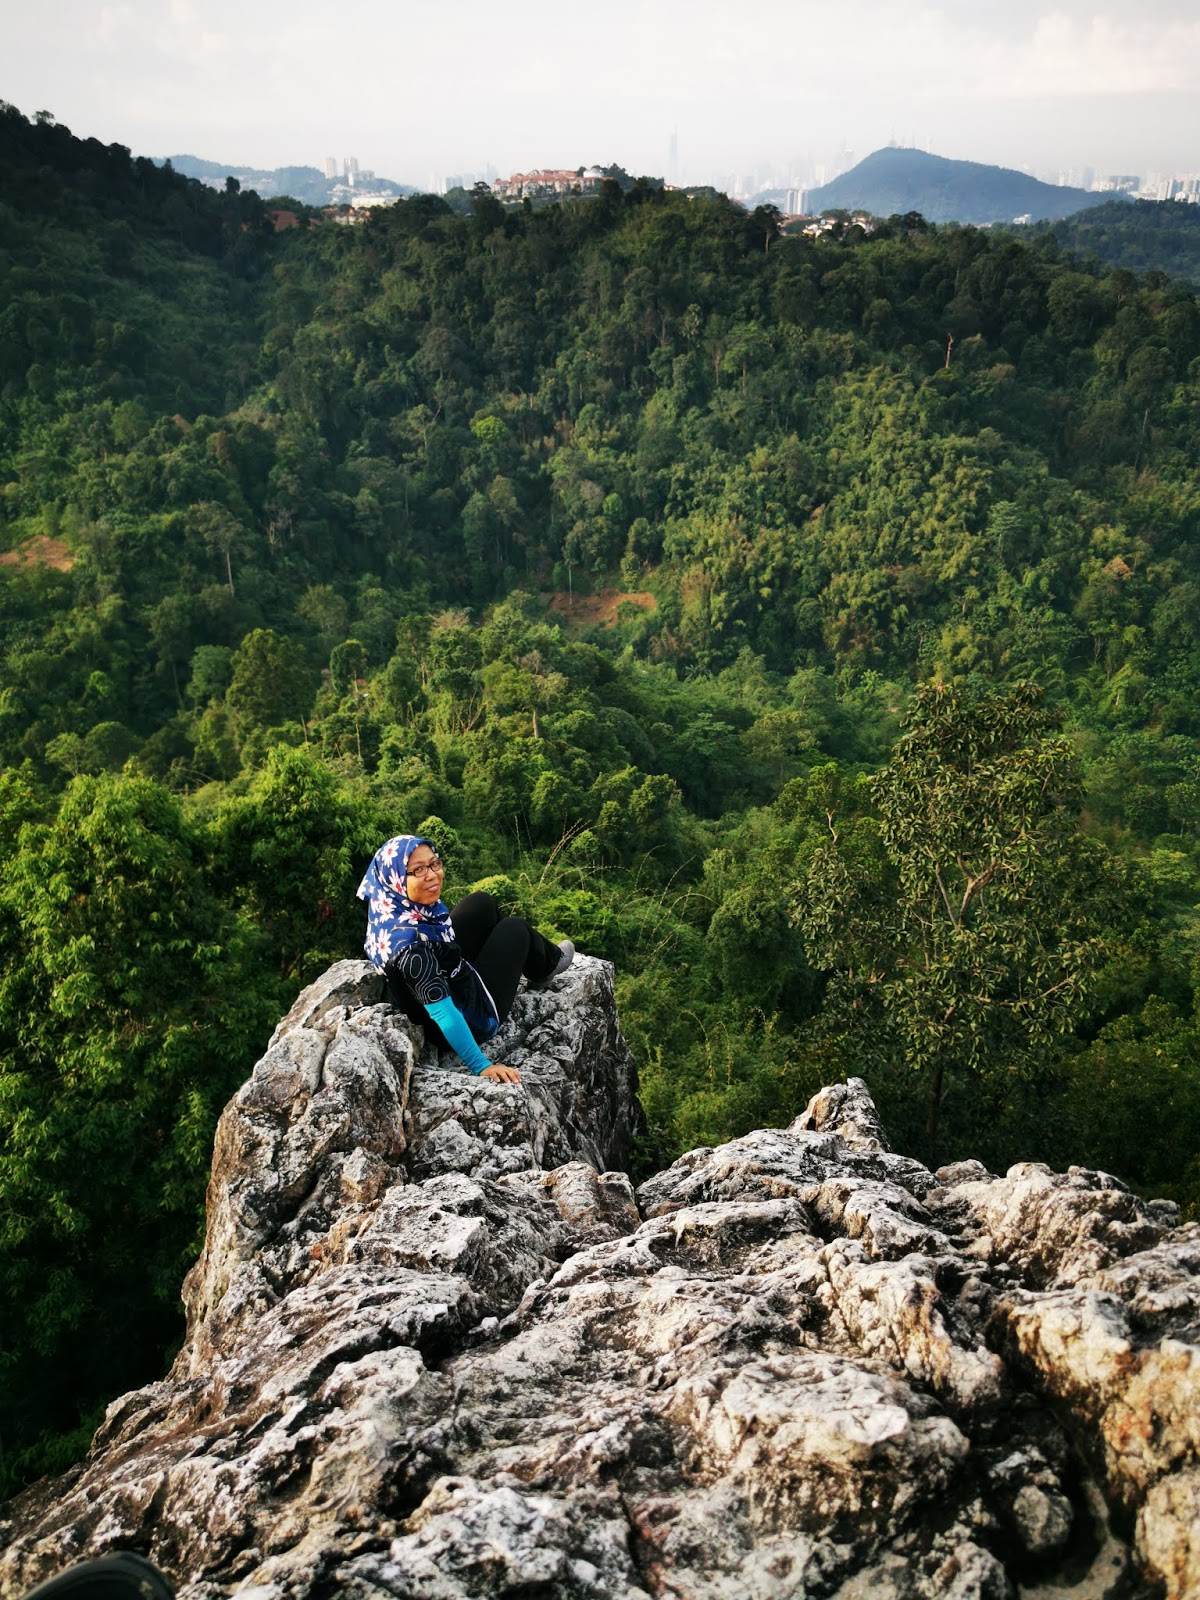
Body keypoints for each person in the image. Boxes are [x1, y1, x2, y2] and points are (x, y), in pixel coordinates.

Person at [357, 835, 573, 1084]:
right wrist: (481, 1065)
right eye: (418, 870)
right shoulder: (412, 951)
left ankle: (506, 952)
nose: (432, 875)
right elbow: (443, 1014)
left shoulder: (389, 909)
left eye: (434, 863)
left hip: (448, 974)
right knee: (514, 929)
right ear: (394, 877)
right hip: (472, 1016)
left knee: (482, 902)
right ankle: (546, 966)